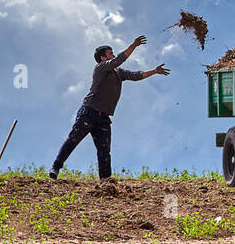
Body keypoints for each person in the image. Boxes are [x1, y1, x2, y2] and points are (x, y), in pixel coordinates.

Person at [49, 36, 169, 180]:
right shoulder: (101, 68)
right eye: (110, 53)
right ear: (103, 58)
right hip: (89, 111)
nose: (113, 55)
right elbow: (119, 59)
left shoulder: (118, 72)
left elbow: (137, 76)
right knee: (73, 140)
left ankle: (105, 182)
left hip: (104, 117)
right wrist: (134, 45)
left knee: (104, 150)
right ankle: (55, 167)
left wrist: (154, 71)